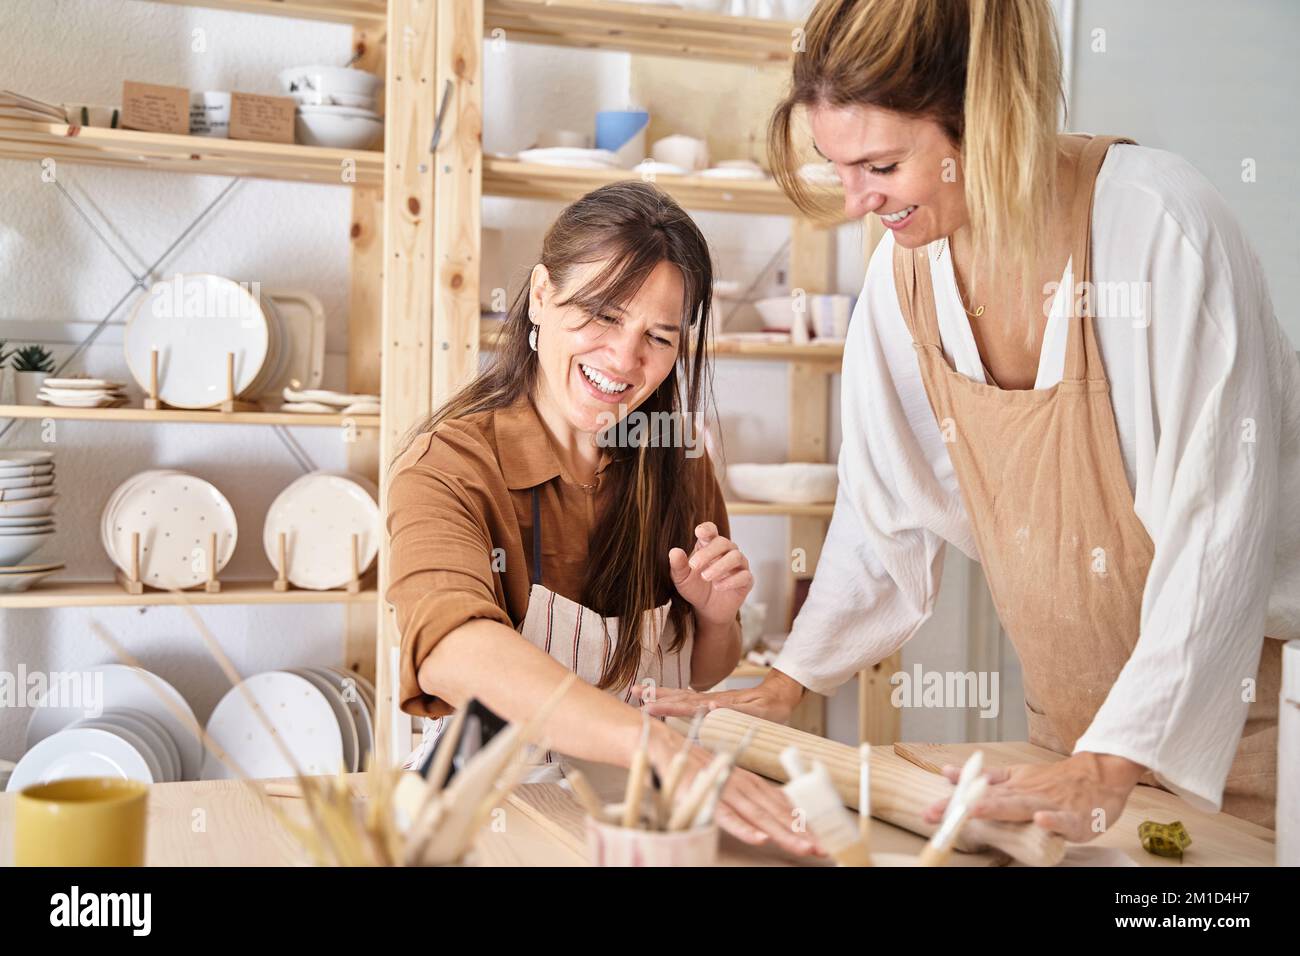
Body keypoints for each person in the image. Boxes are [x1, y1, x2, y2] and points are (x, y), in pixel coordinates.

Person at [644, 0, 1300, 836]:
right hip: (1071, 746)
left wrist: (1113, 759)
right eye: (836, 165)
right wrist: (790, 684)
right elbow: (883, 519)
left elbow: (1219, 535)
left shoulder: (1161, 232)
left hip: (1259, 747)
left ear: (988, 124)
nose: (855, 202)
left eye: (880, 166)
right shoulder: (905, 276)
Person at [386, 181, 819, 855]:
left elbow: (704, 674)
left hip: (640, 812)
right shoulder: (450, 465)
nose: (625, 359)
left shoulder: (677, 465)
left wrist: (716, 616)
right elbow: (451, 649)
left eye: (658, 336)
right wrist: (651, 745)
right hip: (492, 808)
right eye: (602, 315)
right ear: (539, 296)